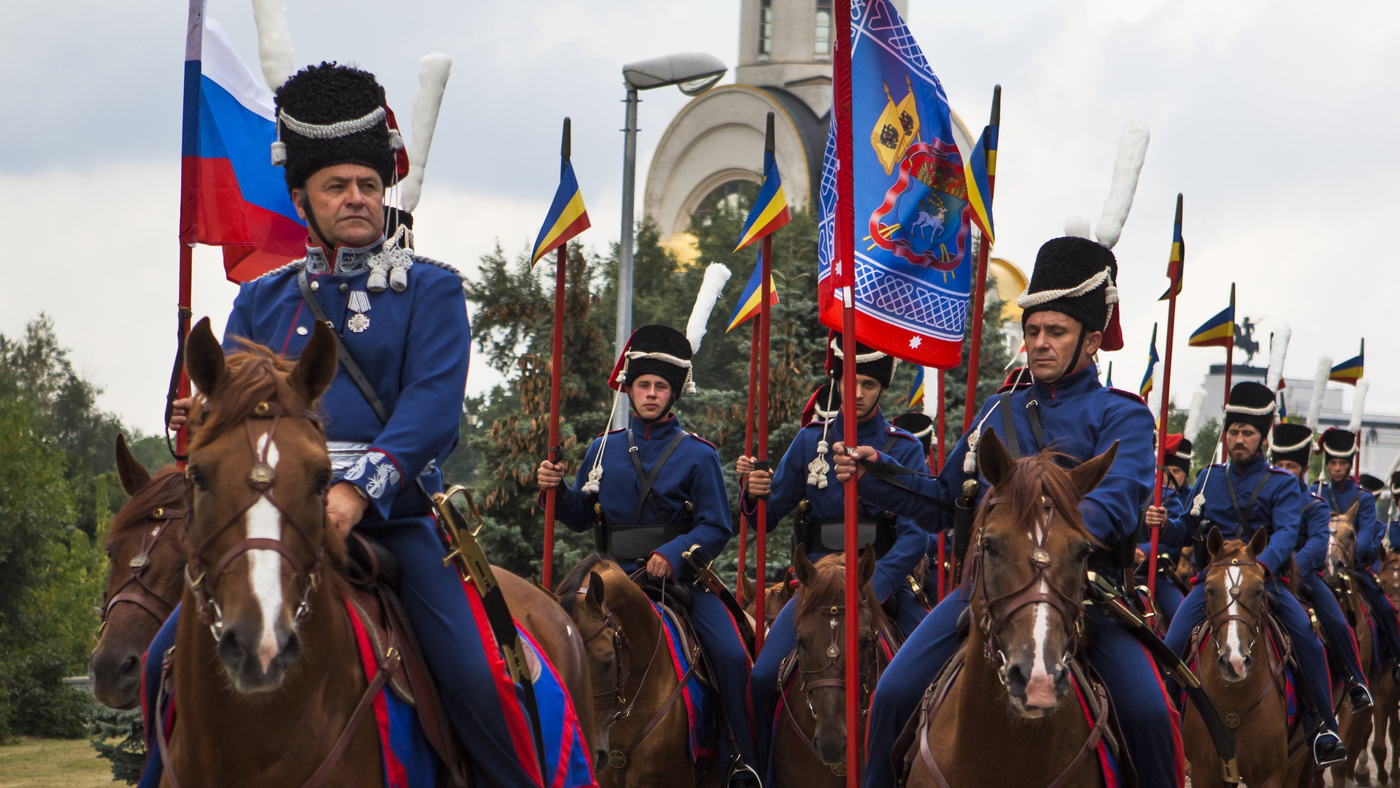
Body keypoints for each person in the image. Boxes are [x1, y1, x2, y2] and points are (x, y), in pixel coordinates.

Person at [151, 63, 552, 787]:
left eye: (369, 183)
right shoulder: (259, 300)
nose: (358, 198)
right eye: (338, 185)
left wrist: (356, 492)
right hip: (270, 514)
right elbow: (246, 411)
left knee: (478, 676)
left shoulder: (432, 289)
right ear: (302, 196)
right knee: (158, 663)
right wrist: (206, 417)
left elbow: (431, 409)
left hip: (393, 518)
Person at [834, 235, 1184, 788]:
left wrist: (1040, 534)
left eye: (1056, 332)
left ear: (1092, 340)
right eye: (1033, 330)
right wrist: (876, 473)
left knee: (1149, 714)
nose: (1039, 343)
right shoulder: (998, 411)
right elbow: (945, 502)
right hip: (987, 590)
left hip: (1086, 595)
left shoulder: (1125, 418)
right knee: (892, 694)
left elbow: (1116, 504)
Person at [536, 323, 759, 786]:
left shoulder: (699, 456)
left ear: (673, 394)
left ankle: (742, 760)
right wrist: (554, 491)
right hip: (608, 582)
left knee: (733, 656)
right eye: (644, 385)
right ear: (630, 390)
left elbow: (716, 525)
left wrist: (674, 555)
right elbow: (581, 515)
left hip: (676, 583)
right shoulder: (601, 449)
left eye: (660, 387)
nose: (652, 394)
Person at [737, 337, 931, 781]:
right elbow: (765, 520)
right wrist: (755, 496)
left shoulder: (903, 448)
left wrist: (874, 585)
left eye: (867, 383)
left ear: (883, 389)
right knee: (764, 676)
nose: (857, 391)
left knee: (934, 671)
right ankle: (760, 773)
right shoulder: (810, 443)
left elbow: (916, 535)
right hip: (817, 587)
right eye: (848, 380)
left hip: (881, 583)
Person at [1156, 382, 1345, 766]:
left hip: (1262, 581)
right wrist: (1162, 523)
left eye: (1247, 432)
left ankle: (1324, 726)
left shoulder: (1283, 483)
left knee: (1307, 639)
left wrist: (1259, 566)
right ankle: (1167, 719)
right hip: (1215, 581)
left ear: (1262, 438)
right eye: (1233, 431)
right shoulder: (1208, 477)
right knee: (1172, 640)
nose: (1238, 439)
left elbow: (1287, 533)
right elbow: (1187, 530)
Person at [1269, 422, 1372, 711]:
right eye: (1280, 464)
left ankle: (1356, 680)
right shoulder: (1268, 494)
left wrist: (1293, 566)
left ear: (1303, 468)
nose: (1286, 470)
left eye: (1292, 465)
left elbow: (1318, 543)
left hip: (1304, 574)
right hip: (1262, 573)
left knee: (1341, 622)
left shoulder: (1315, 503)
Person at [1311, 427, 1400, 678]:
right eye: (1333, 463)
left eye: (1342, 463)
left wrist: (1349, 558)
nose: (1337, 468)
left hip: (1353, 568)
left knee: (1384, 607)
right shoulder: (1316, 492)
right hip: (1318, 567)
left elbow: (1368, 534)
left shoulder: (1364, 498)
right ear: (1326, 464)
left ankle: (1396, 658)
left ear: (1349, 465)